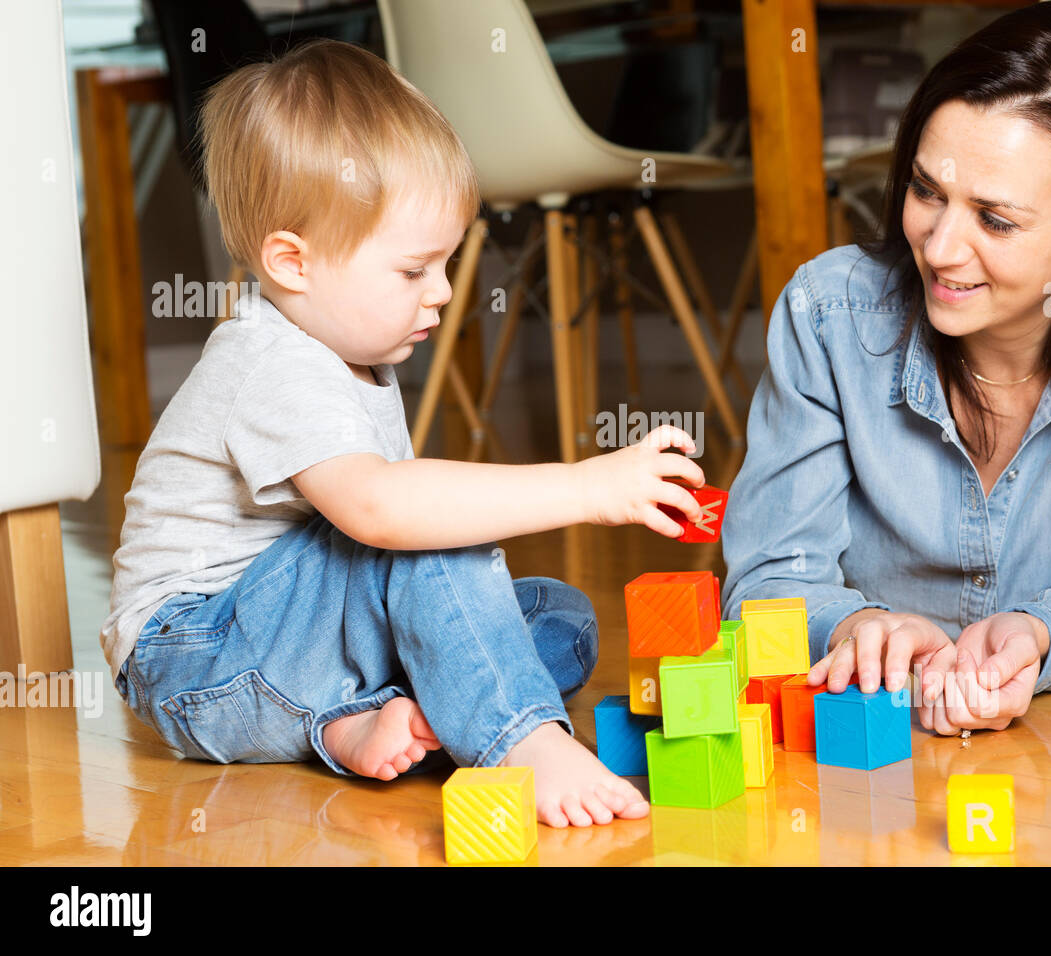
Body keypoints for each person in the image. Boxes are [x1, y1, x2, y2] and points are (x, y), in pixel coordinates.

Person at [102, 38, 708, 829]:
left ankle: (362, 721)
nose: (445, 293)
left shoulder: (353, 352)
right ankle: (520, 739)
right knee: (424, 536)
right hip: (195, 654)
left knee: (560, 618)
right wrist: (586, 486)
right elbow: (383, 512)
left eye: (448, 264)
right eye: (414, 270)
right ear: (293, 261)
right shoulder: (271, 361)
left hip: (284, 651)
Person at [721, 0, 1051, 735]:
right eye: (925, 191)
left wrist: (1039, 639)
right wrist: (855, 630)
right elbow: (769, 581)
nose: (940, 248)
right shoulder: (828, 313)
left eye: (995, 220)